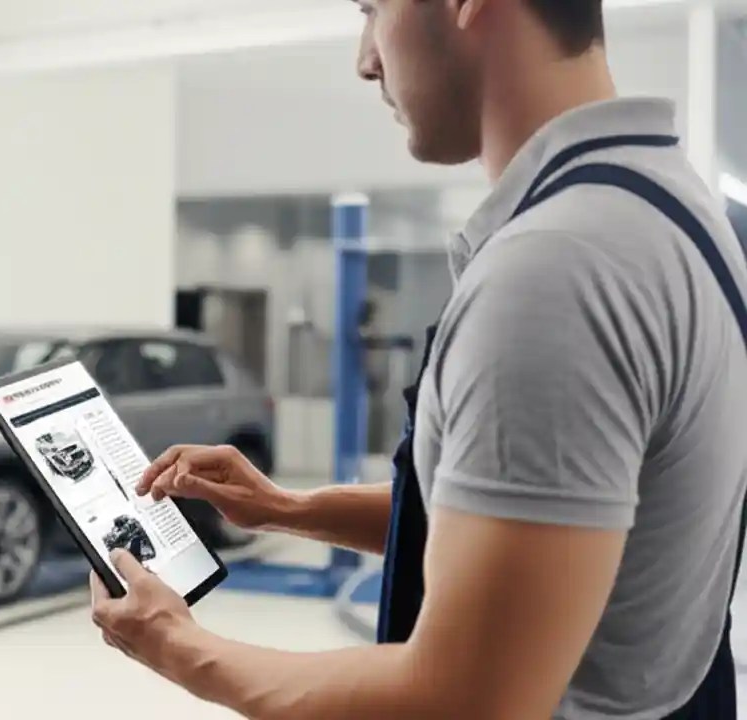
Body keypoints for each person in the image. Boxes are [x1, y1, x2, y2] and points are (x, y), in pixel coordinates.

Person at [89, 0, 747, 717]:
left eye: (374, 9)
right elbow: (539, 531)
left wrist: (174, 642)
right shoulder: (674, 210)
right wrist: (287, 508)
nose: (365, 58)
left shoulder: (556, 269)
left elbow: (458, 701)